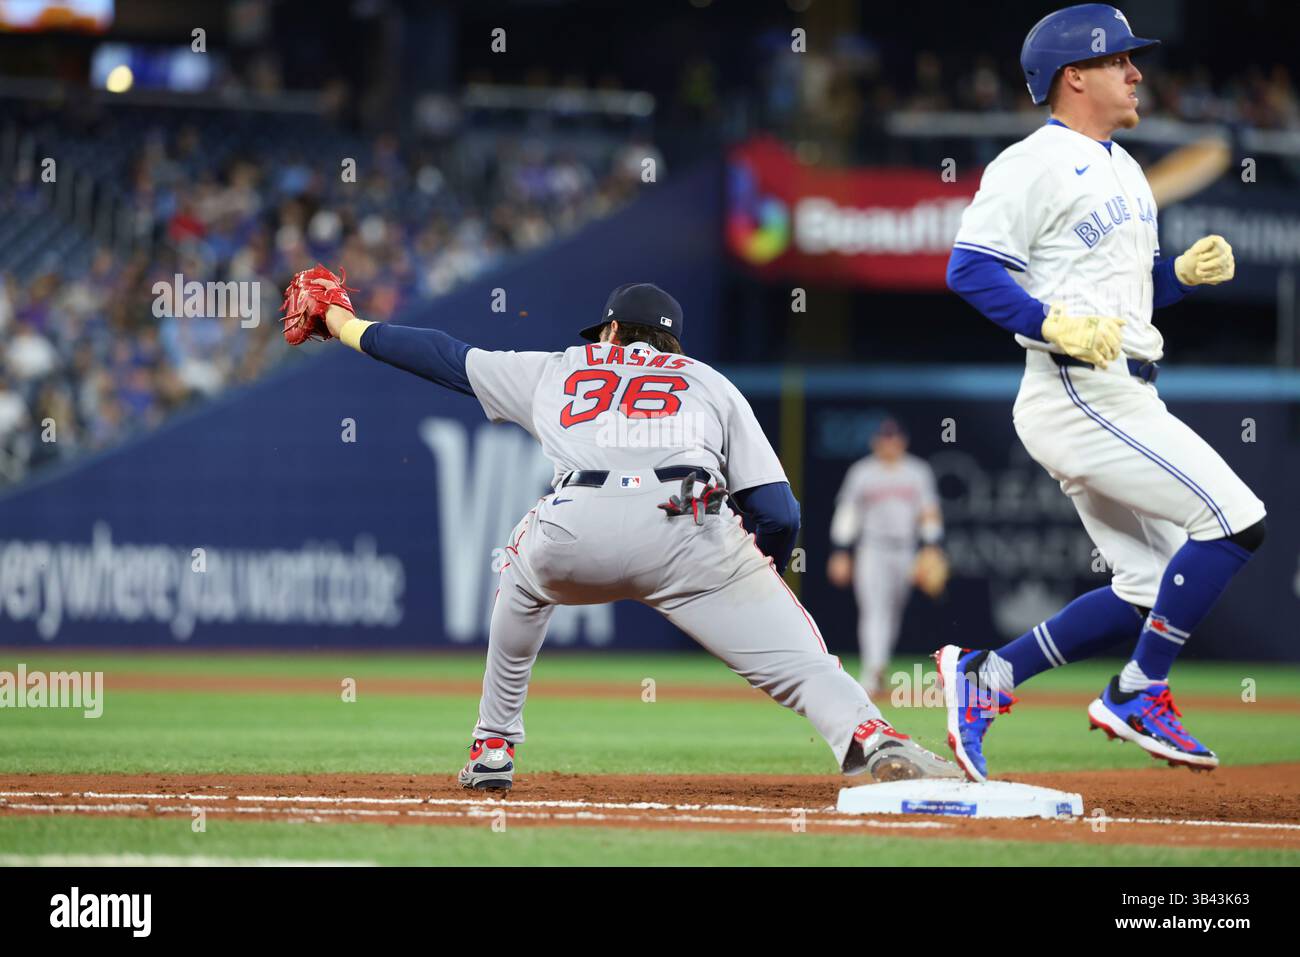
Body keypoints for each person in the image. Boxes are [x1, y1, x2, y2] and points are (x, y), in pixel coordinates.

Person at [280, 271, 960, 789]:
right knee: (802, 662)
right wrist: (757, 574)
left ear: (609, 333)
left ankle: (492, 746)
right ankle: (869, 733)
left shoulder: (560, 367)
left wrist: (339, 319)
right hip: (690, 527)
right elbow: (779, 510)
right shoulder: (708, 381)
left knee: (520, 579)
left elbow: (438, 355)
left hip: (578, 524)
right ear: (671, 343)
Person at [938, 4, 1266, 782]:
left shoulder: (1124, 168)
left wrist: (1177, 276)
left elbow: (1124, 296)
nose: (1137, 72)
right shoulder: (1030, 162)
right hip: (1078, 391)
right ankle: (1137, 689)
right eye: (1119, 59)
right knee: (1235, 519)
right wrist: (1050, 323)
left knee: (1148, 584)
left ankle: (988, 678)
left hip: (1122, 388)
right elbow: (971, 268)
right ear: (1072, 75)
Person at [826, 418, 945, 695]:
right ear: (876, 442)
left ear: (902, 441)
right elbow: (848, 514)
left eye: (894, 438)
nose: (889, 443)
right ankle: (872, 670)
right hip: (872, 548)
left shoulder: (917, 471)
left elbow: (928, 512)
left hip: (906, 549)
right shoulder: (863, 472)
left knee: (893, 612)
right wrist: (841, 552)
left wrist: (932, 546)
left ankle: (879, 665)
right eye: (884, 438)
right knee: (874, 609)